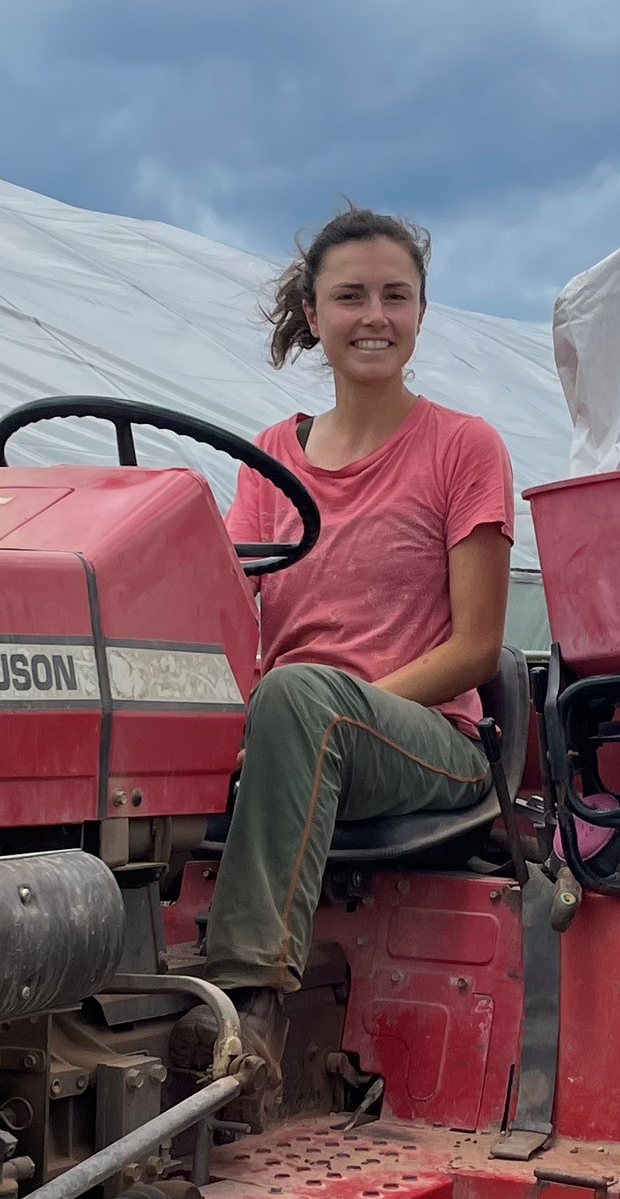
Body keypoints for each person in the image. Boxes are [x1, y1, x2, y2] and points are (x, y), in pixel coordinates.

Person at [201, 206, 514, 1011]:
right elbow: (231, 602)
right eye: (350, 297)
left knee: (304, 697)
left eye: (395, 297)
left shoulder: (462, 446)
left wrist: (323, 712)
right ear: (313, 315)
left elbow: (478, 648)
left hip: (431, 741)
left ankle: (247, 1000)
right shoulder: (269, 455)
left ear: (418, 313)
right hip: (299, 721)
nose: (374, 317)